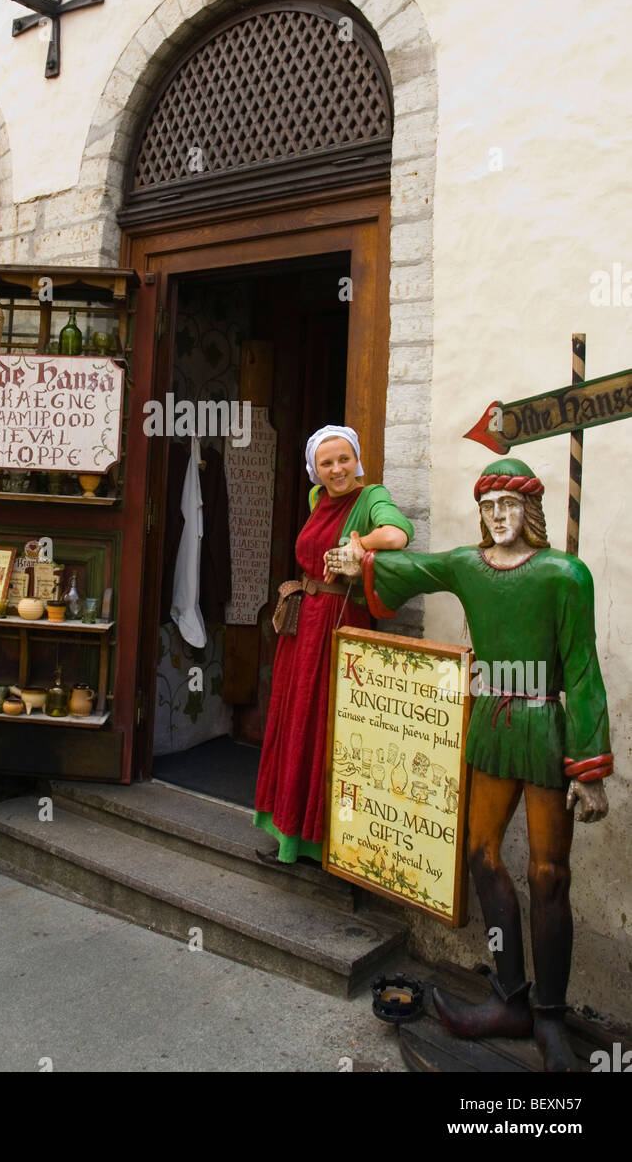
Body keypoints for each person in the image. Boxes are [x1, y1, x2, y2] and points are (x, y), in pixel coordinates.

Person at [340, 458, 612, 1072]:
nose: (497, 518)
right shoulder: (469, 565)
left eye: (509, 507)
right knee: (482, 856)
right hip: (491, 722)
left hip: (543, 726)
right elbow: (411, 569)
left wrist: (589, 771)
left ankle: (550, 1016)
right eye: (488, 508)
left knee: (550, 876)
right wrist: (357, 559)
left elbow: (583, 671)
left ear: (530, 512)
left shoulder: (565, 576)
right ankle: (510, 994)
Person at [253, 425, 413, 864]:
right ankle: (288, 830)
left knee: (326, 722)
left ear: (356, 459)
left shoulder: (370, 496)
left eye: (344, 459)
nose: (337, 469)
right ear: (315, 470)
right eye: (327, 463)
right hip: (304, 624)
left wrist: (359, 543)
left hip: (339, 623)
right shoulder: (315, 499)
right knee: (295, 718)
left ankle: (322, 841)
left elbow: (398, 534)